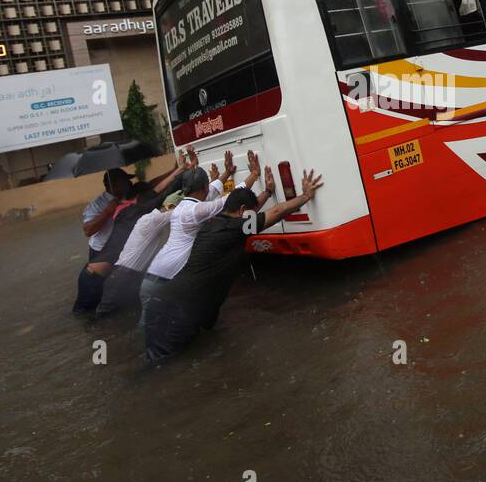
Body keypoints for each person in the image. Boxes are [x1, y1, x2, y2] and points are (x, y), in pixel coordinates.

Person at [143, 167, 324, 363]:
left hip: (165, 304)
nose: (252, 218)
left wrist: (268, 192)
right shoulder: (235, 228)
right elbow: (277, 212)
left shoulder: (213, 224)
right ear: (241, 211)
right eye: (250, 213)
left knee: (163, 365)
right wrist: (305, 196)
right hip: (176, 312)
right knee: (168, 367)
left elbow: (252, 215)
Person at [138, 149, 258, 313]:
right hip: (167, 281)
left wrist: (227, 173)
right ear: (204, 188)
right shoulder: (195, 211)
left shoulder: (183, 206)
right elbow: (232, 198)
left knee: (150, 328)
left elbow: (214, 189)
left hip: (151, 277)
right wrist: (255, 174)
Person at [73, 152, 191, 315]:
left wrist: (176, 170)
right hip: (97, 262)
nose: (129, 183)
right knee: (86, 316)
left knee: (107, 311)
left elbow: (154, 187)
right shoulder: (117, 209)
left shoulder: (128, 205)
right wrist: (108, 211)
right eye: (125, 180)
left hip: (111, 260)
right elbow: (87, 230)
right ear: (113, 184)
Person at [91, 189, 185, 320]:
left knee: (118, 319)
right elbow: (187, 212)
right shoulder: (155, 219)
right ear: (170, 206)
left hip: (122, 276)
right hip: (122, 277)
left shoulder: (148, 218)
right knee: (105, 319)